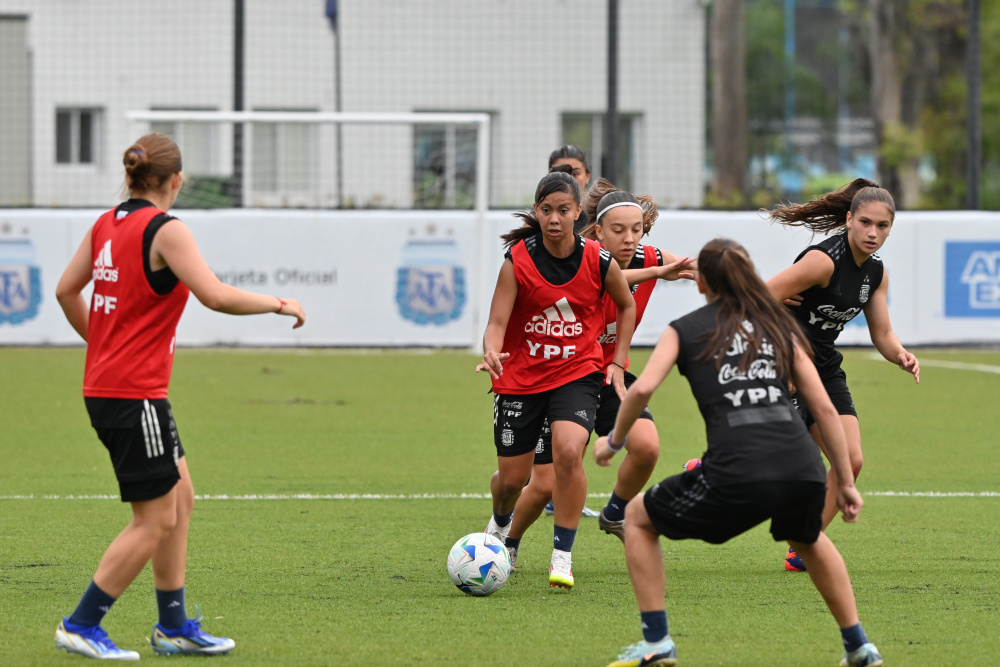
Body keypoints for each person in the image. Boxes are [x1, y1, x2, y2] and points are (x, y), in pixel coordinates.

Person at [53, 133, 305, 660]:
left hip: (120, 390)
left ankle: (173, 626)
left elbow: (65, 290)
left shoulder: (106, 224)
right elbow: (214, 294)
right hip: (132, 395)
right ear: (177, 180)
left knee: (180, 499)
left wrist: (103, 346)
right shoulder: (166, 229)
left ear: (131, 176)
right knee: (156, 519)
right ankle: (81, 622)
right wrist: (278, 303)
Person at [595, 238, 883, 667]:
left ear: (701, 284)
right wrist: (844, 481)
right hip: (802, 465)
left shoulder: (684, 327)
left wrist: (614, 440)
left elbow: (642, 388)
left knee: (636, 518)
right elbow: (823, 407)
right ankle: (858, 646)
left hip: (737, 469)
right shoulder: (781, 326)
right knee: (809, 538)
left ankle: (656, 643)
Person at [502, 180, 694, 573]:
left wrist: (759, 291)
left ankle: (615, 513)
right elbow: (618, 280)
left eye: (636, 231)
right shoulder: (584, 258)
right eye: (619, 231)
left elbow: (703, 269)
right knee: (540, 485)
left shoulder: (645, 254)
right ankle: (506, 542)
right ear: (597, 232)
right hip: (565, 372)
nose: (629, 240)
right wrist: (659, 271)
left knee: (647, 447)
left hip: (610, 374)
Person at [477, 169, 636, 589]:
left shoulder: (597, 260)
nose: (554, 218)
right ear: (536, 211)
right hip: (520, 381)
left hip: (576, 375)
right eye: (546, 210)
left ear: (577, 212)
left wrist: (617, 360)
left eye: (563, 210)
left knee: (568, 451)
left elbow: (626, 306)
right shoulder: (518, 261)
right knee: (513, 480)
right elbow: (496, 322)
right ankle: (498, 523)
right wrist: (491, 350)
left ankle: (561, 556)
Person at [767, 178, 919, 572]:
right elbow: (758, 295)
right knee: (773, 458)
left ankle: (803, 545)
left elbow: (882, 333)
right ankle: (712, 467)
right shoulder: (823, 261)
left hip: (825, 365)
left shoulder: (876, 274)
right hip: (786, 359)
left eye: (882, 226)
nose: (873, 233)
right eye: (865, 222)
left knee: (850, 461)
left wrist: (900, 354)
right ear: (849, 219)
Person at [548, 145, 592, 233]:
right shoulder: (537, 219)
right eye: (561, 174)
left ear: (587, 176)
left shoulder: (598, 218)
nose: (568, 180)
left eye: (575, 174)